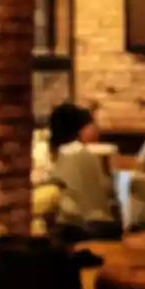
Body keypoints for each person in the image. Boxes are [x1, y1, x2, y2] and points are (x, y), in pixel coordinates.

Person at [48, 103, 121, 242]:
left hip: (81, 229)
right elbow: (107, 189)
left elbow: (60, 198)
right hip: (106, 225)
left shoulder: (63, 155)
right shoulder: (88, 154)